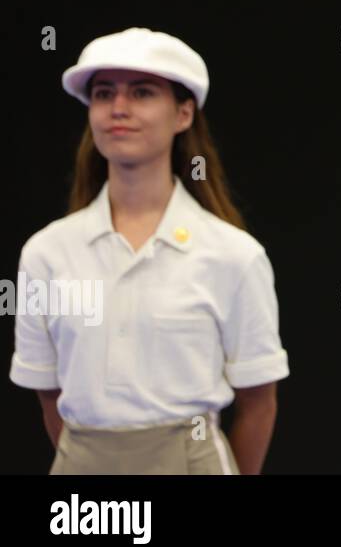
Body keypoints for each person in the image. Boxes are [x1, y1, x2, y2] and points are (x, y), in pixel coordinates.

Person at [9, 27, 289, 474]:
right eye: (104, 94)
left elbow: (259, 403)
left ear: (183, 113)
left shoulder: (233, 256)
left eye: (141, 92)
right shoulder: (47, 255)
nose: (119, 109)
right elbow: (49, 393)